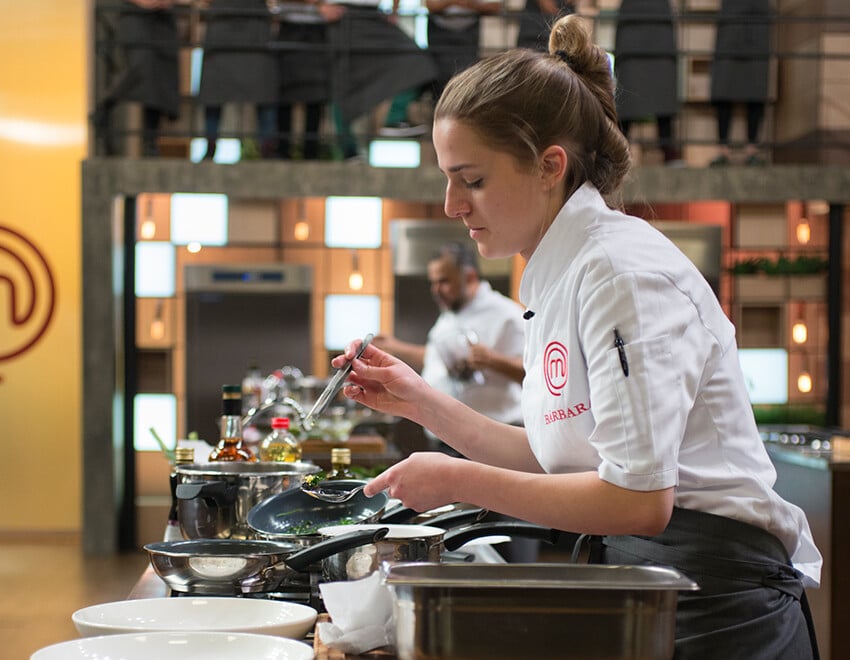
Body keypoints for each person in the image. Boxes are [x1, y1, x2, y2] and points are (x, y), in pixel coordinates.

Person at [334, 14, 822, 658]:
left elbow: (638, 499)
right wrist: (420, 402)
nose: (452, 204)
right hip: (651, 578)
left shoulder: (620, 274)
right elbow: (559, 458)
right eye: (447, 178)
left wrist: (456, 480)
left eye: (472, 180)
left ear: (549, 166)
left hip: (720, 603)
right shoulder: (563, 273)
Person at [373, 241, 526, 457]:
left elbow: (533, 375)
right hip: (447, 440)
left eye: (444, 281)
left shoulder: (507, 315)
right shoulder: (450, 315)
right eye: (433, 282)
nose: (436, 290)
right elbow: (434, 360)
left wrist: (493, 360)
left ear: (470, 277)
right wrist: (395, 347)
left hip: (491, 443)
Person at [325, 0, 438, 156]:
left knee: (418, 62)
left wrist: (394, 10)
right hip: (340, 15)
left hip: (374, 17)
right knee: (342, 80)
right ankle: (348, 149)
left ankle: (395, 119)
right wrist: (319, 6)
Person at [92, 0, 184, 157]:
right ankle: (106, 106)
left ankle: (151, 141)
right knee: (141, 67)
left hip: (162, 19)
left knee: (159, 77)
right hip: (136, 15)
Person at [196, 0, 280, 161]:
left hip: (255, 27)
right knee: (214, 90)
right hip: (222, 26)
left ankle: (268, 147)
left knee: (264, 89)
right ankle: (210, 145)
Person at [613, 0, 683, 166]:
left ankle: (668, 149)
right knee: (628, 93)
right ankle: (617, 152)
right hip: (632, 24)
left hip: (659, 23)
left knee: (663, 89)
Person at [275, 0, 343, 160]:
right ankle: (283, 150)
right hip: (290, 28)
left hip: (319, 30)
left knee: (317, 95)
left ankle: (311, 151)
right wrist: (317, 5)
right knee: (285, 92)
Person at [709, 0, 773, 166]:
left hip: (757, 24)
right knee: (723, 89)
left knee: (756, 89)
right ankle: (723, 150)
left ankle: (752, 150)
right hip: (730, 25)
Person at [423, 0, 503, 106]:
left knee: (468, 79)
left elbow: (494, 6)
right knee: (441, 82)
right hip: (440, 33)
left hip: (469, 35)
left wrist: (470, 4)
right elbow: (431, 5)